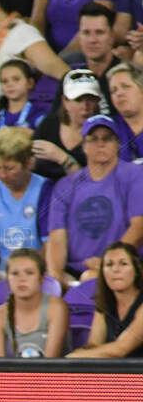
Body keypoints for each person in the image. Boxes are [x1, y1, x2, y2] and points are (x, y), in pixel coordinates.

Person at [45, 115, 143, 285]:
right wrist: (56, 279)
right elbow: (56, 238)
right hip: (74, 270)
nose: (100, 144)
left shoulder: (135, 175)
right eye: (93, 139)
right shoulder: (65, 185)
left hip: (122, 267)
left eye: (107, 138)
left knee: (90, 278)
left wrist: (108, 261)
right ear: (83, 145)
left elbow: (139, 226)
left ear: (118, 144)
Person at [0, 126, 55, 281]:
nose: (3, 175)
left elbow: (49, 246)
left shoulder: (44, 189)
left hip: (35, 273)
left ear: (28, 163)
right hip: (3, 273)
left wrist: (28, 275)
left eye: (10, 168)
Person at [0, 247, 68, 357]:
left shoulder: (56, 307)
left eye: (29, 273)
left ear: (41, 279)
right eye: (15, 273)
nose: (22, 279)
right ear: (7, 280)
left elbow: (50, 362)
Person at [69, 240, 143, 356]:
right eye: (109, 265)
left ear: (136, 270)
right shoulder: (104, 303)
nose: (115, 269)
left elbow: (121, 348)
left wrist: (75, 356)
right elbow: (94, 344)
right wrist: (81, 352)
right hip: (113, 367)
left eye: (123, 264)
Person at [0, 57, 44, 164]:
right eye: (4, 81)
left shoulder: (39, 115)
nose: (10, 84)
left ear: (30, 83)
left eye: (16, 79)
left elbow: (48, 146)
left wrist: (32, 135)